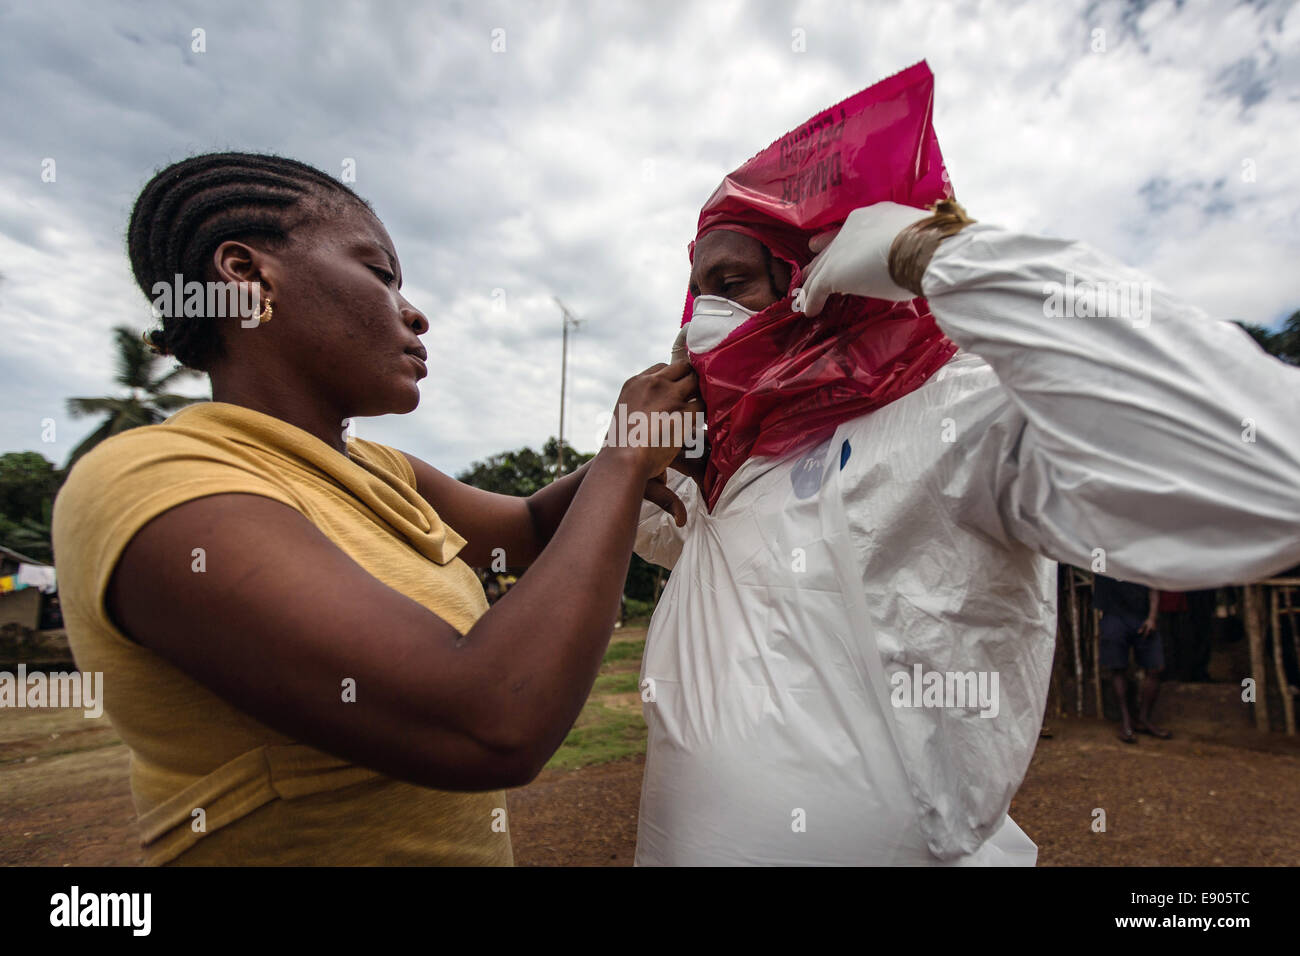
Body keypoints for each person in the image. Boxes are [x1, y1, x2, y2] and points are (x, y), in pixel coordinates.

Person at [51, 152, 701, 865]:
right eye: (381, 275)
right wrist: (622, 460)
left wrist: (668, 429)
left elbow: (533, 530)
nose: (414, 311)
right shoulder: (151, 477)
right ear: (246, 273)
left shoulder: (383, 471)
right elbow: (487, 721)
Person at [633, 200, 1300, 866]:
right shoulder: (724, 476)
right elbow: (612, 518)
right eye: (695, 299)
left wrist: (943, 251)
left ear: (815, 284)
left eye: (729, 286)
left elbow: (1269, 473)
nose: (704, 319)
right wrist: (659, 426)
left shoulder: (961, 414)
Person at [1094, 573, 1169, 743]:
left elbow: (1153, 585)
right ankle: (1126, 721)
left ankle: (1143, 718)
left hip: (1142, 615)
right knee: (1117, 667)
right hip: (1114, 616)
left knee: (1155, 668)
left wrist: (1151, 617)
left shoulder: (1142, 553)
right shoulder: (1103, 553)